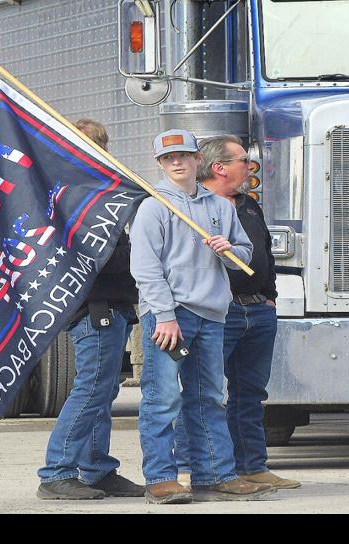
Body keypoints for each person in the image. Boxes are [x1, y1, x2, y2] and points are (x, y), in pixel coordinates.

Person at [129, 129, 270, 505]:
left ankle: (215, 474)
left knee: (209, 397)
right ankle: (160, 478)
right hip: (172, 316)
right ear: (160, 164)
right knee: (161, 399)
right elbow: (145, 269)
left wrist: (228, 250)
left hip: (213, 314)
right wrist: (164, 315)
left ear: (197, 160)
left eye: (183, 156)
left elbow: (244, 251)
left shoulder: (221, 208)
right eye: (167, 159)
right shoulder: (154, 206)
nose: (176, 163)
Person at [35, 118, 143, 501]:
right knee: (91, 390)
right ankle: (56, 472)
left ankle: (97, 469)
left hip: (111, 306)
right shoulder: (72, 199)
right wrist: (137, 256)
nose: (98, 152)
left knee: (102, 391)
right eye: (89, 146)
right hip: (94, 307)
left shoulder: (95, 193)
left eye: (100, 144)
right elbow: (93, 257)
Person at [194, 135, 299, 491]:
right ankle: (194, 469)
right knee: (202, 392)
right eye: (243, 161)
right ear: (219, 167)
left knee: (250, 393)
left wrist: (269, 296)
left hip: (257, 312)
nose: (249, 167)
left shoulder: (249, 205)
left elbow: (265, 252)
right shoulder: (192, 207)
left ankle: (252, 466)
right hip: (217, 312)